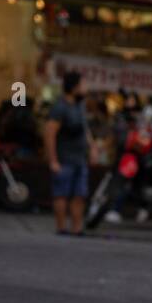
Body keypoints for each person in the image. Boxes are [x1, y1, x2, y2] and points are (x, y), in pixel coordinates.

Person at [44, 70, 90, 236]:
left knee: (80, 194)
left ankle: (77, 228)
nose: (86, 88)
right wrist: (53, 160)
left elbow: (85, 129)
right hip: (64, 158)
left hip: (80, 159)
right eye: (83, 84)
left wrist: (92, 147)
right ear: (74, 87)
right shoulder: (60, 107)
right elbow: (50, 134)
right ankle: (61, 227)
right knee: (61, 194)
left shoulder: (80, 106)